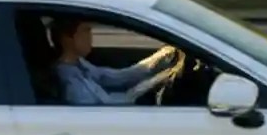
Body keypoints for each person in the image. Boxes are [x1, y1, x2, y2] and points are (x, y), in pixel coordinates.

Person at [48, 17, 180, 105]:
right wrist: (158, 81)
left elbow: (117, 77)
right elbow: (113, 106)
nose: (90, 36)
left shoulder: (79, 64)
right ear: (67, 38)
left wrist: (159, 59)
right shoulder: (70, 82)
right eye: (85, 31)